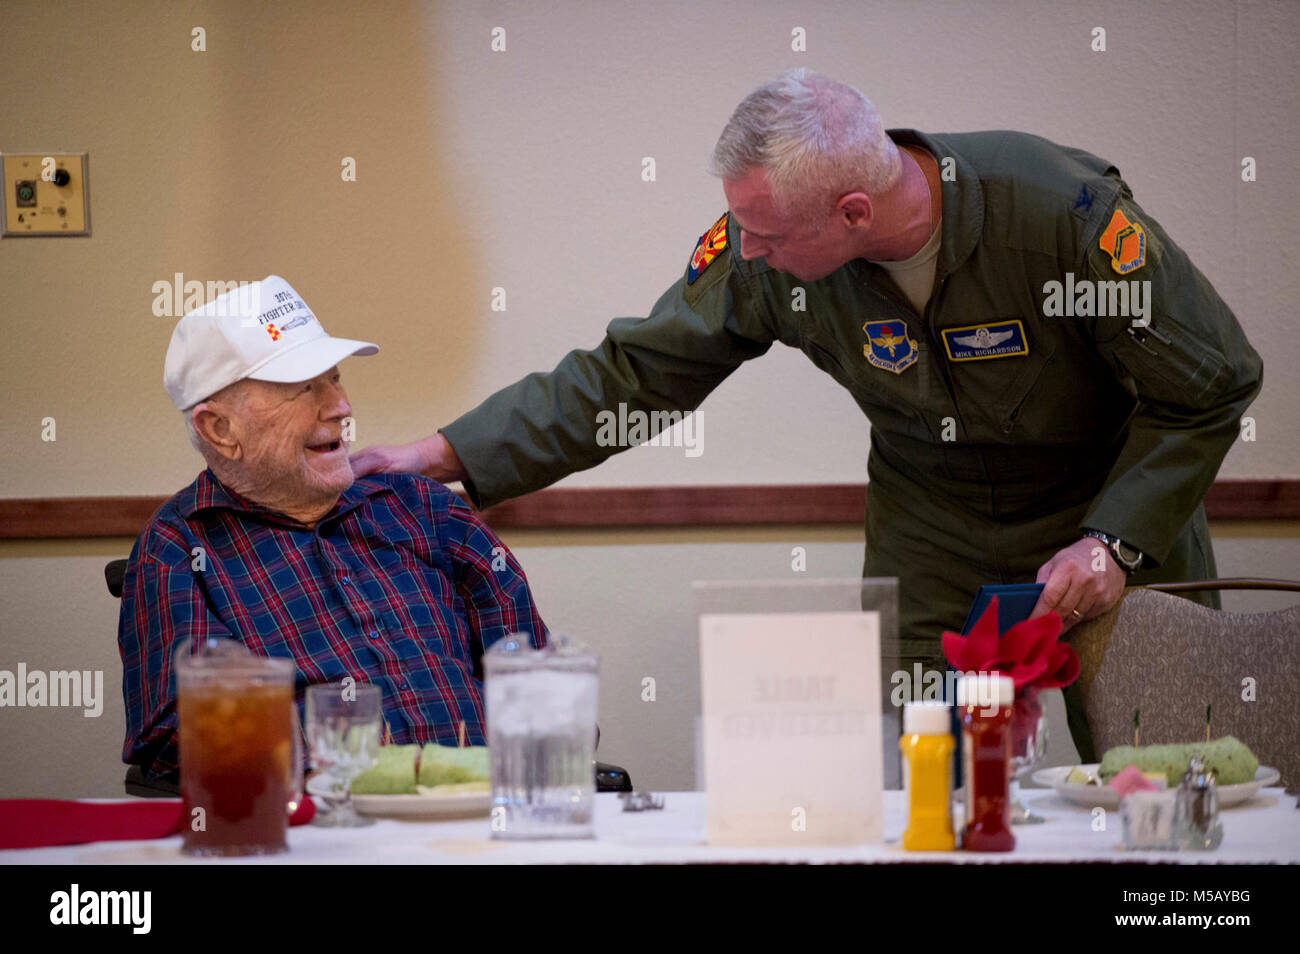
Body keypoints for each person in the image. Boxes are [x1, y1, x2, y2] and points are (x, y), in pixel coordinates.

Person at [349, 70, 1261, 762]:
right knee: (932, 780)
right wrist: (442, 455)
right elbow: (633, 374)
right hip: (932, 526)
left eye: (768, 236)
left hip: (1113, 509)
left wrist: (1116, 544)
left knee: (1166, 770)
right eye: (739, 227)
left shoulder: (1061, 214)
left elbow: (1213, 381)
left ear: (854, 210)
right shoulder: (763, 254)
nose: (747, 252)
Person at [118, 276, 547, 784]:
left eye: (335, 378)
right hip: (321, 835)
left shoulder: (422, 507)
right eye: (303, 389)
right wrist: (351, 776)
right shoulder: (180, 548)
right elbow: (183, 736)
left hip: (485, 819)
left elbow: (537, 676)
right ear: (220, 430)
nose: (339, 407)